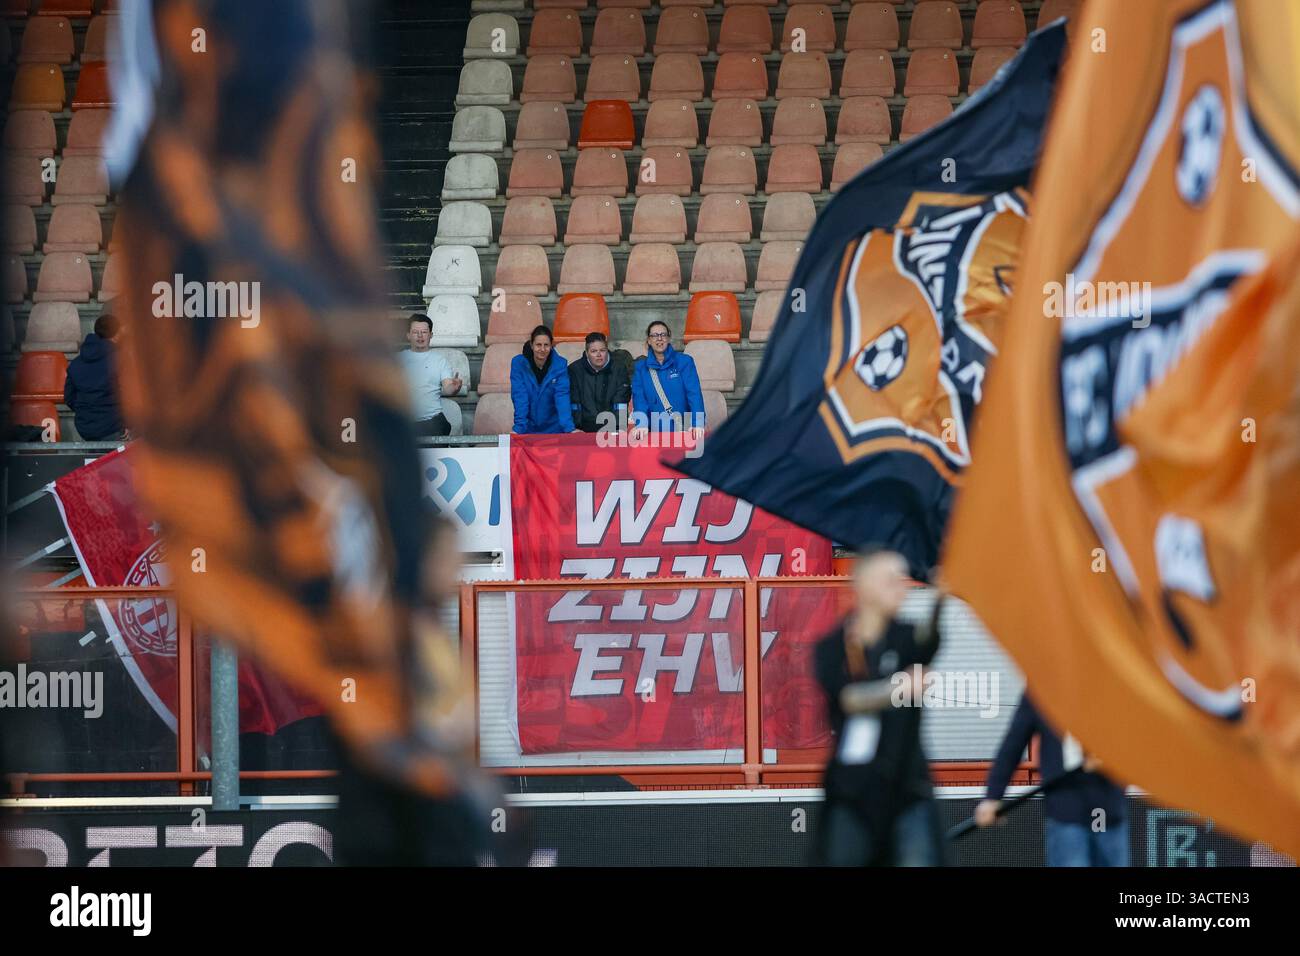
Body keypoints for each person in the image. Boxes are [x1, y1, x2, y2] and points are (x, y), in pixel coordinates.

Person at [813, 548, 947, 866]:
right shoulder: (831, 647)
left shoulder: (905, 637)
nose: (901, 588)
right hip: (853, 790)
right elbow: (848, 699)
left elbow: (928, 641)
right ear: (865, 585)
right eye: (891, 581)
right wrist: (896, 689)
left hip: (906, 787)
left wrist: (940, 599)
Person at [975, 693, 1129, 866]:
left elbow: (1138, 732)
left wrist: (1114, 753)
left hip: (1108, 807)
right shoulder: (1043, 688)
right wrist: (992, 796)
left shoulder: (1116, 683)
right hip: (1066, 809)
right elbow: (1014, 742)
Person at [630, 320, 705, 435]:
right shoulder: (641, 368)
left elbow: (694, 394)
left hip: (682, 429)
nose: (659, 338)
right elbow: (639, 399)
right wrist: (641, 424)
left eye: (663, 335)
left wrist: (698, 423)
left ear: (669, 338)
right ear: (649, 341)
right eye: (654, 335)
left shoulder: (684, 362)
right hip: (653, 432)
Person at [397, 314, 461, 437]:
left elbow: (448, 387)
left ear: (431, 335)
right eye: (415, 332)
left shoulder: (440, 361)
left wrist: (454, 387)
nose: (420, 336)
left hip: (433, 422)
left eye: (424, 332)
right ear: (408, 335)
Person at [64, 313, 127, 441]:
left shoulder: (75, 363)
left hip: (85, 428)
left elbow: (69, 397)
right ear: (116, 334)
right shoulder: (121, 360)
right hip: (113, 428)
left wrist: (86, 412)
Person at [510, 324, 577, 434]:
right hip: (528, 428)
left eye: (546, 345)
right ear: (531, 345)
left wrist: (568, 428)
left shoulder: (560, 365)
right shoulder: (518, 364)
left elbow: (562, 396)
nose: (542, 349)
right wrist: (519, 427)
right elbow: (520, 396)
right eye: (538, 345)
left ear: (552, 346)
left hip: (554, 428)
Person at [568, 331, 631, 433]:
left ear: (607, 350)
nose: (598, 354)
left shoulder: (619, 368)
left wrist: (621, 427)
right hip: (584, 428)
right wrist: (576, 428)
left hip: (612, 427)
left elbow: (621, 400)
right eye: (593, 351)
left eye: (602, 350)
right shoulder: (574, 370)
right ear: (587, 353)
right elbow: (574, 401)